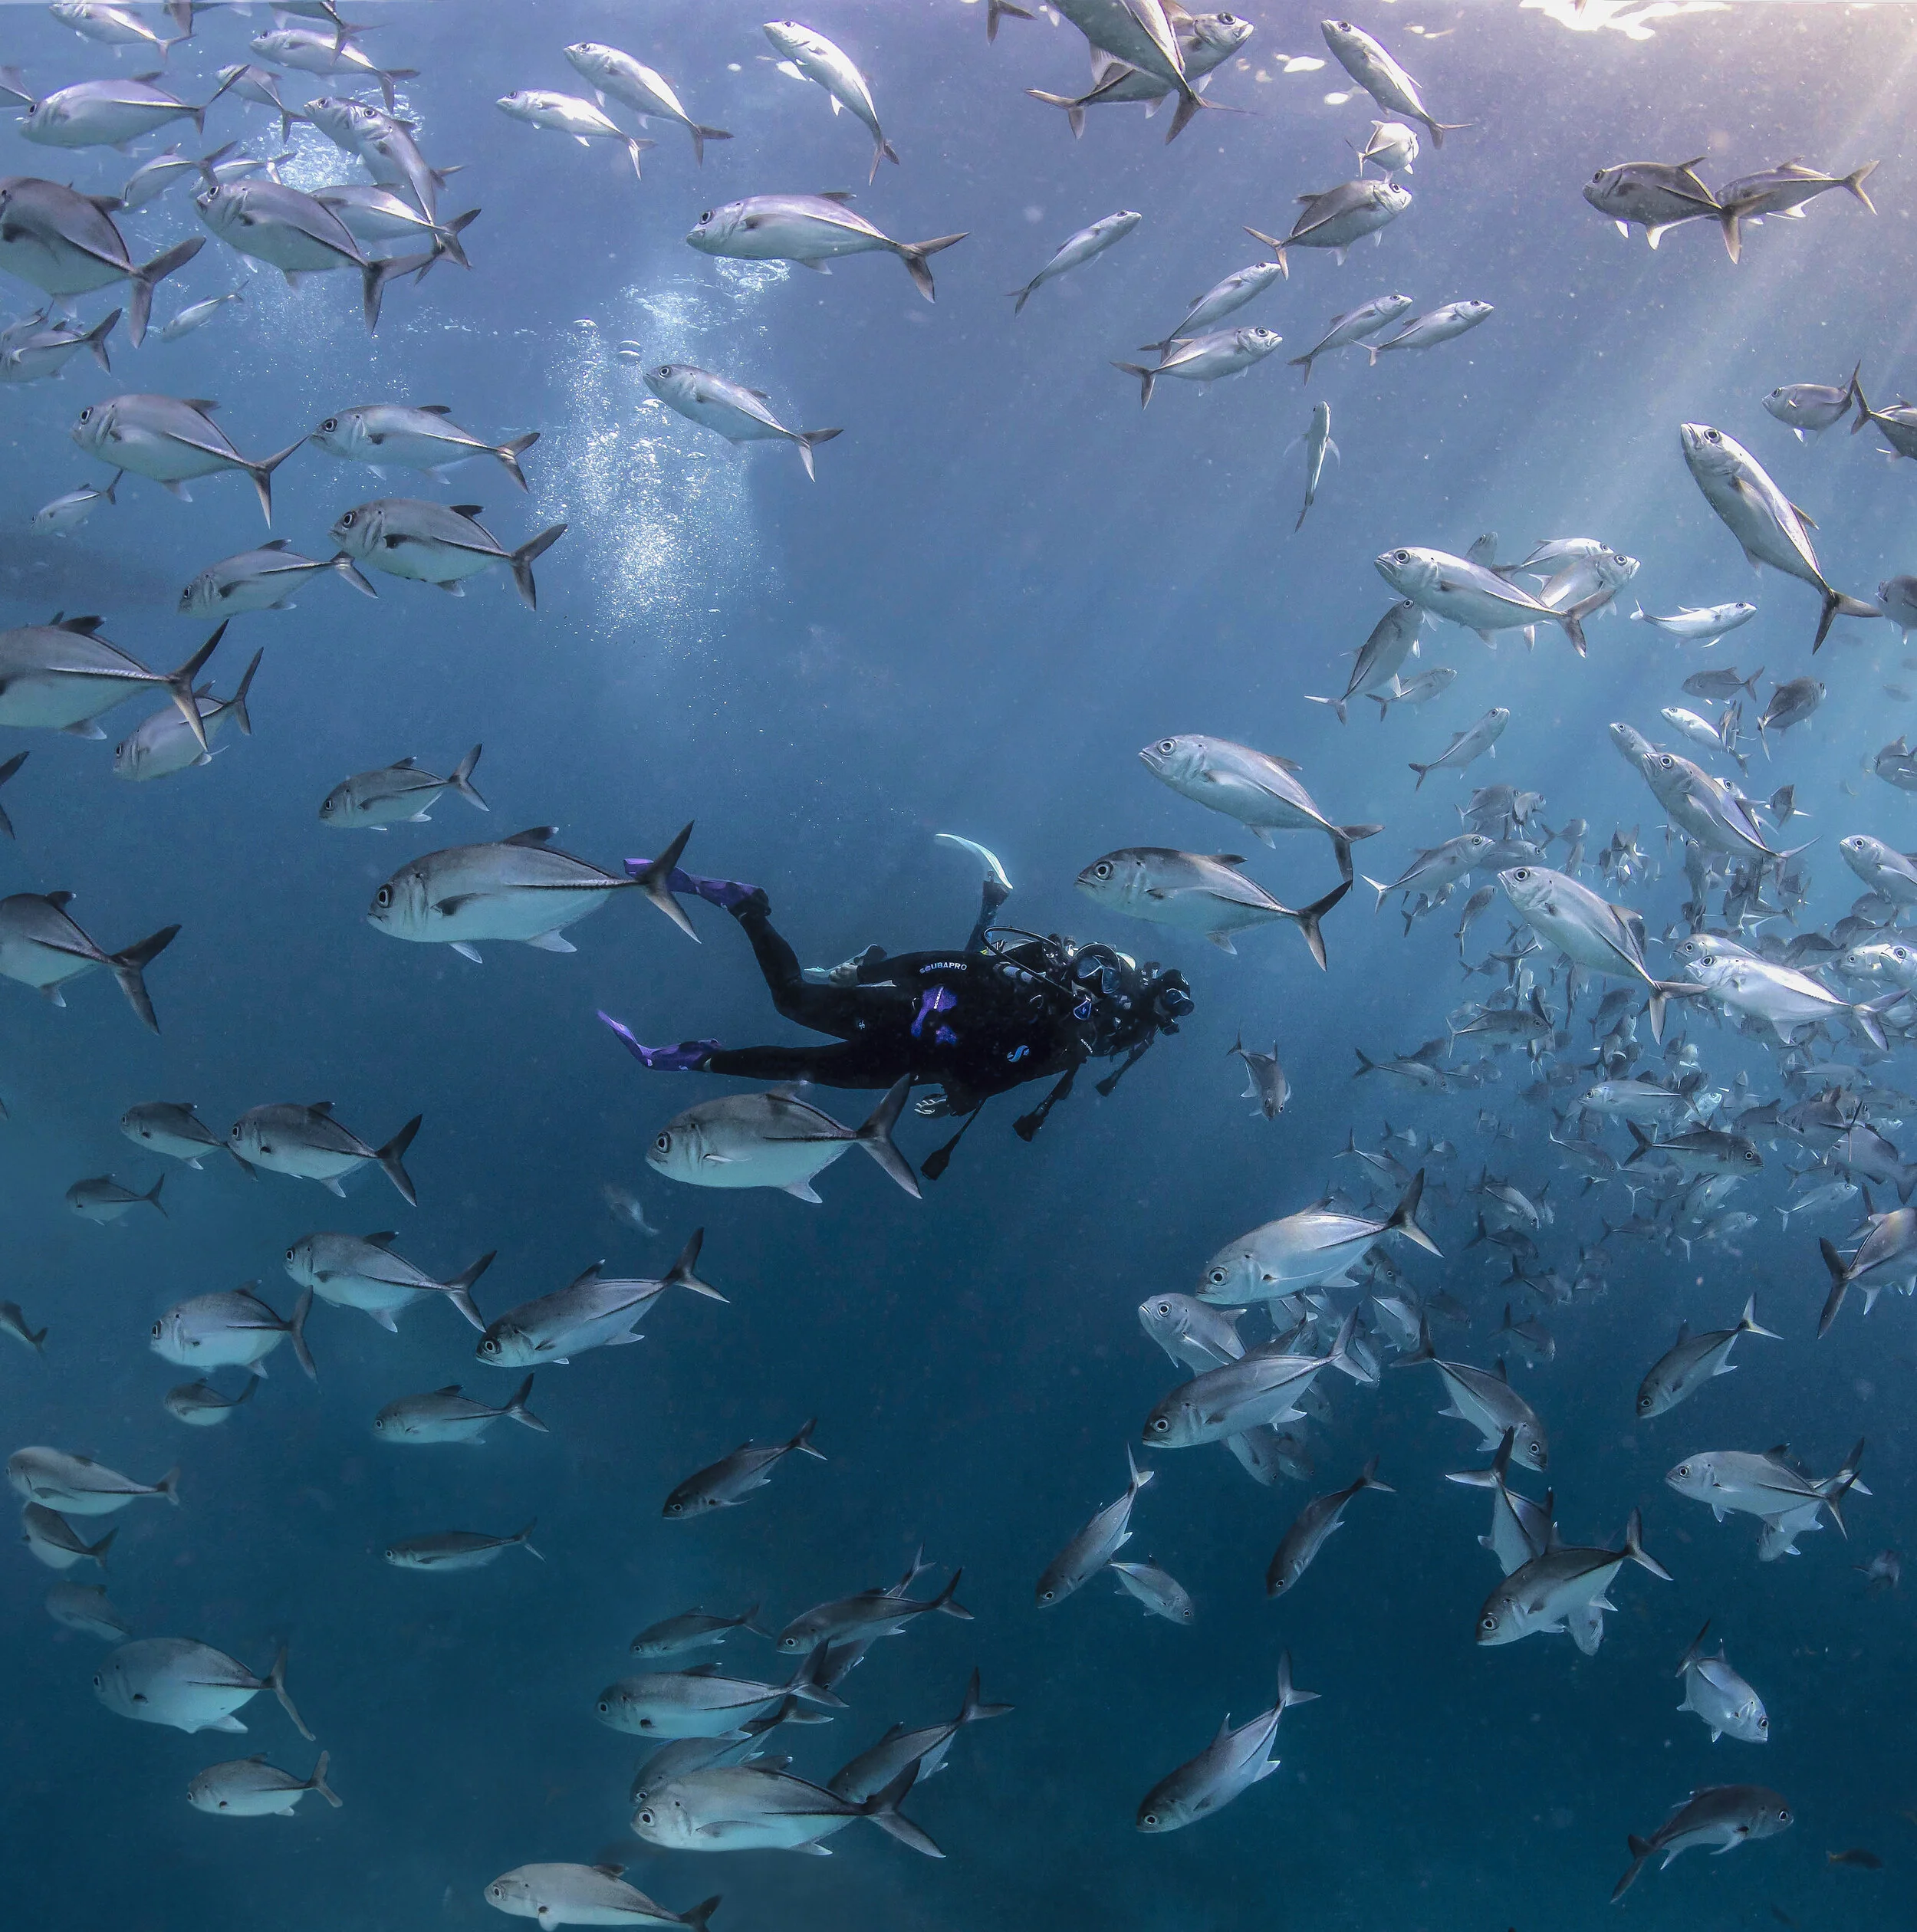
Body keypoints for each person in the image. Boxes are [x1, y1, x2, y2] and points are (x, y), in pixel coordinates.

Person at [599, 834, 1194, 1179]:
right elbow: (957, 969)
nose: (1092, 1012)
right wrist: (874, 973)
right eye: (1098, 997)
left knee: (798, 1063)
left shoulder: (1063, 1045)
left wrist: (952, 1095)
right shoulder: (1045, 999)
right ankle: (745, 907)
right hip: (905, 1027)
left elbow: (988, 1077)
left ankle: (700, 1058)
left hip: (907, 1061)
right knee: (792, 1008)